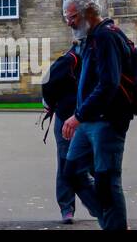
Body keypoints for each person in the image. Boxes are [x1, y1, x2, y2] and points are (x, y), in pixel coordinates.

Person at [61, 0, 131, 231]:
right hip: (90, 121)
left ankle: (114, 225)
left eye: (71, 17)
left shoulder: (106, 37)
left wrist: (78, 115)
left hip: (107, 122)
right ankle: (109, 220)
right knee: (71, 173)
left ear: (87, 13)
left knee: (108, 181)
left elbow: (109, 83)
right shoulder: (92, 37)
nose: (68, 22)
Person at [41, 37, 99, 225]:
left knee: (92, 163)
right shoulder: (69, 60)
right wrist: (55, 106)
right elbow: (47, 84)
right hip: (67, 118)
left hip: (89, 119)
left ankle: (93, 203)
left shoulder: (95, 60)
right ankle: (67, 208)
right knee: (66, 163)